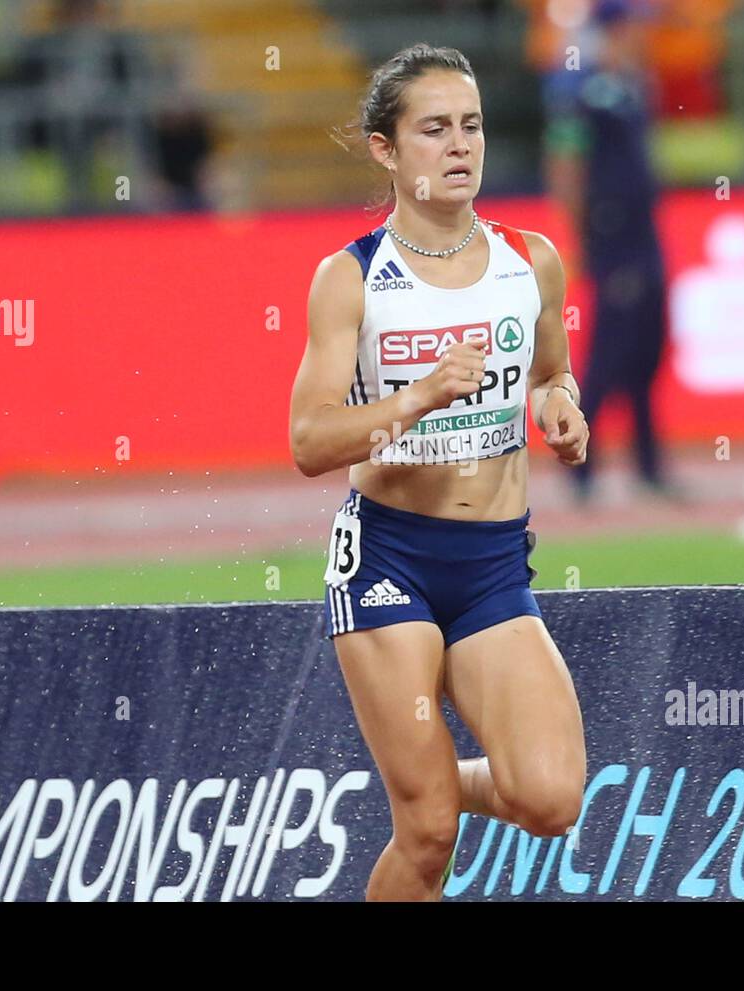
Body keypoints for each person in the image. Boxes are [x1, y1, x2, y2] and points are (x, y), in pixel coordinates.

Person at [289, 44, 589, 902]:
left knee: (549, 795)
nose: (460, 147)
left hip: (494, 564)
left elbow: (551, 374)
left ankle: (420, 777)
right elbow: (310, 440)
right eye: (433, 130)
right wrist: (417, 395)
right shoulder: (350, 279)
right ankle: (418, 793)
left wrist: (560, 408)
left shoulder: (529, 262)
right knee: (426, 840)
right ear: (386, 151)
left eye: (472, 127)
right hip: (390, 559)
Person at [546, 0, 678, 503]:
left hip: (644, 235)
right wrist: (576, 235)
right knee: (607, 355)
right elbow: (565, 162)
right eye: (626, 30)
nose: (636, 38)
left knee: (647, 351)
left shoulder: (631, 88)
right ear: (608, 33)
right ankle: (580, 466)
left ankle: (648, 466)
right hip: (612, 236)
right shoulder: (582, 92)